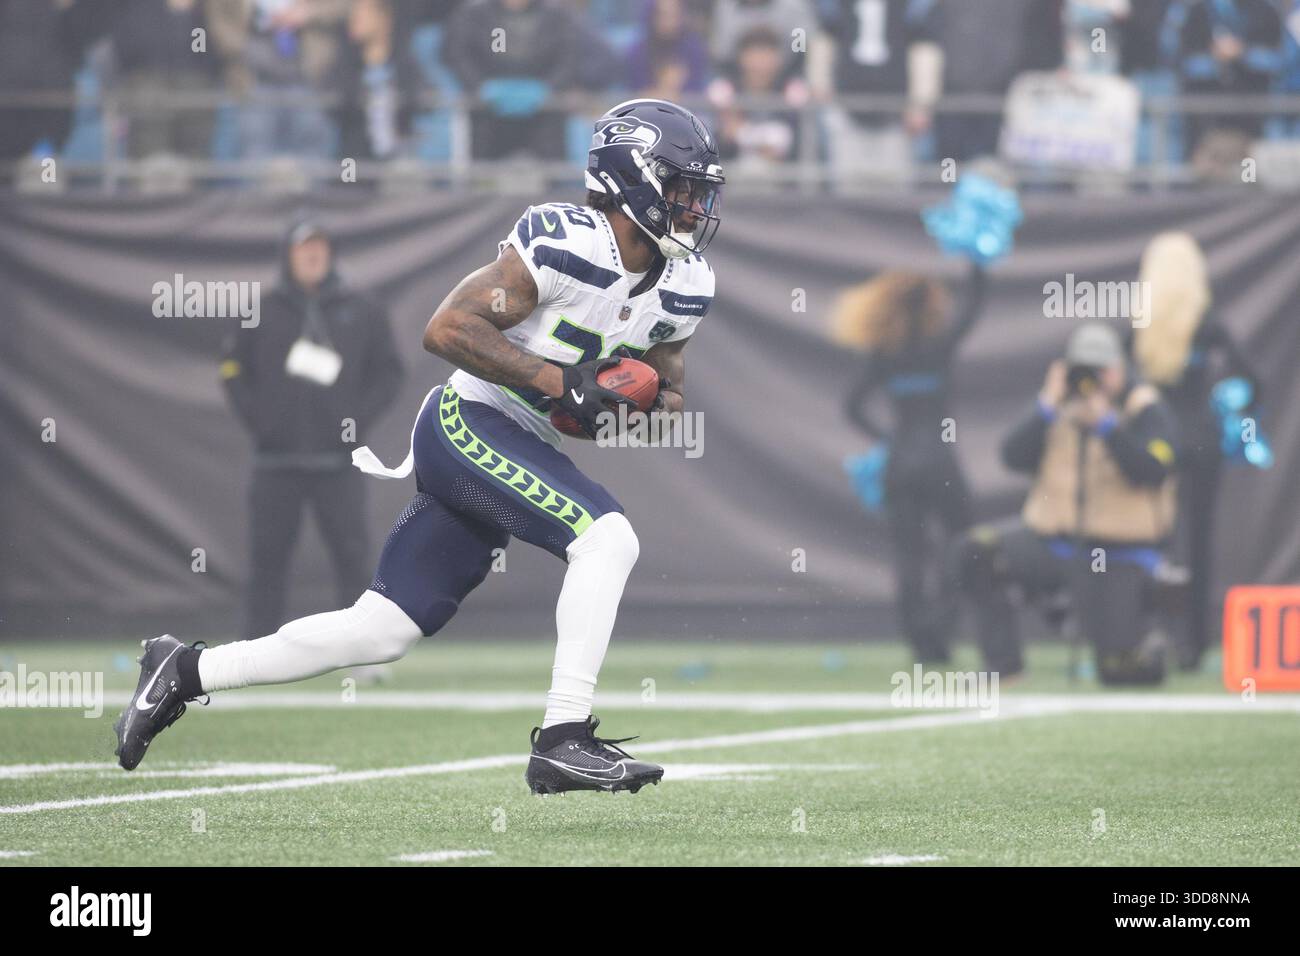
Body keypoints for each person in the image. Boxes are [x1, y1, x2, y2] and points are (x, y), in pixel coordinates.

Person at [115, 98, 724, 797]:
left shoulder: (688, 284)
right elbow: (447, 329)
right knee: (607, 539)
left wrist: (628, 406)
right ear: (628, 178)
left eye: (697, 192)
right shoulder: (565, 243)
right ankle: (562, 738)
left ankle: (184, 672)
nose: (692, 206)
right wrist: (564, 381)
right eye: (680, 187)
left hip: (518, 437)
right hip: (468, 419)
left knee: (379, 632)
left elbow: (669, 396)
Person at [955, 322, 1179, 683]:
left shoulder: (1145, 409)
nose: (1091, 381)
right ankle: (1006, 664)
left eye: (1100, 370)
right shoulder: (1058, 406)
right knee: (977, 549)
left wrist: (1108, 426)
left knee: (1124, 672)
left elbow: (1153, 471)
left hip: (1118, 554)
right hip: (1056, 546)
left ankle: (1140, 634)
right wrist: (1046, 405)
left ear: (1119, 369)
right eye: (1083, 369)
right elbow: (1012, 457)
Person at [219, 217, 405, 641]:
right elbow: (231, 369)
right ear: (289, 256)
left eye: (320, 248)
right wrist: (261, 422)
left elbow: (390, 373)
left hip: (338, 461)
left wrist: (355, 420)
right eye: (304, 249)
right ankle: (255, 649)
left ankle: (360, 650)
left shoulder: (363, 309)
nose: (312, 256)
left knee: (352, 556)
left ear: (331, 255)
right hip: (275, 461)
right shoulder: (260, 311)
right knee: (267, 559)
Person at [837, 264, 987, 664]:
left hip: (901, 463)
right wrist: (979, 264)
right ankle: (942, 629)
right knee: (962, 544)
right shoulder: (940, 344)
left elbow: (852, 408)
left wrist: (888, 440)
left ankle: (920, 641)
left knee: (910, 555)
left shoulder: (883, 354)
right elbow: (972, 309)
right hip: (940, 462)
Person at [1129, 231, 1260, 670]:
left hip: (1157, 442)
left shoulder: (1138, 323)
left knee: (1153, 539)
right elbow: (1252, 382)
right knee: (1198, 542)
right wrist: (1228, 402)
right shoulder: (1206, 323)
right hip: (1201, 441)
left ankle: (1151, 633)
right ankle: (1195, 644)